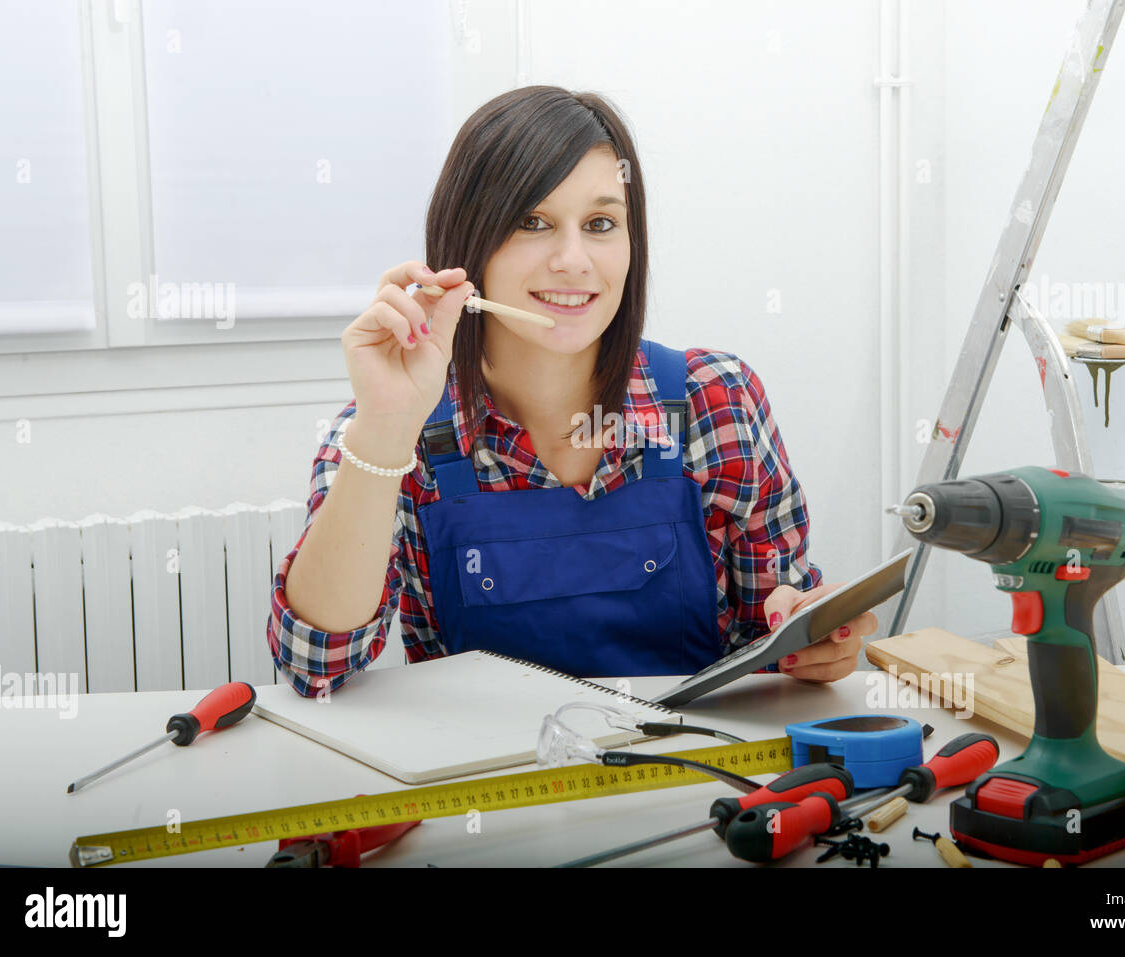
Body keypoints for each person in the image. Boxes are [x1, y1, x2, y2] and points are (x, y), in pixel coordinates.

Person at [267, 86, 877, 696]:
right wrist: (386, 424)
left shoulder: (715, 400)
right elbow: (314, 666)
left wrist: (811, 644)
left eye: (601, 224)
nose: (573, 259)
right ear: (465, 243)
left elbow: (771, 645)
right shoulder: (389, 435)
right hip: (484, 787)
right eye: (533, 221)